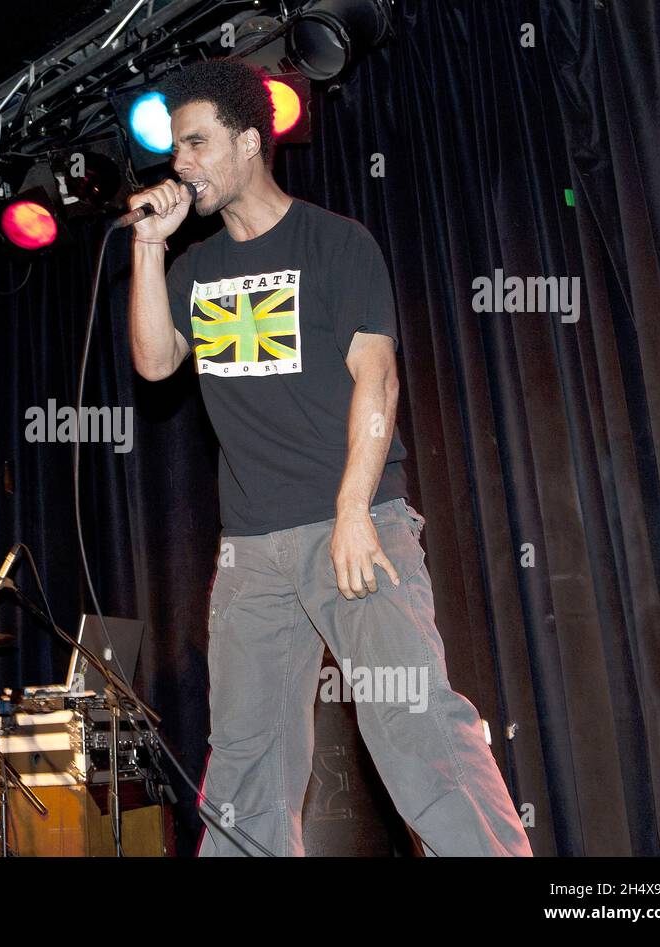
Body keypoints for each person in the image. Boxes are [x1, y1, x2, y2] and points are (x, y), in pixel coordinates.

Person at [127, 59, 532, 857]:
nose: (182, 163)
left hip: (355, 520)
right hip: (252, 549)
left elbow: (375, 380)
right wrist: (146, 247)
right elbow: (151, 362)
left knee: (414, 726)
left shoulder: (336, 243)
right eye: (177, 147)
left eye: (198, 143)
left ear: (250, 142)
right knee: (246, 757)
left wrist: (354, 511)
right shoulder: (193, 270)